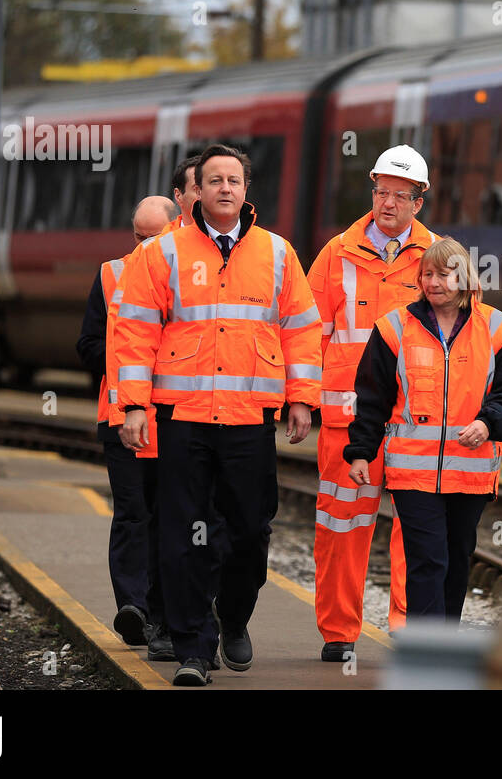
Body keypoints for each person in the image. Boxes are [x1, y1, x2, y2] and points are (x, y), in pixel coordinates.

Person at [115, 144, 322, 686]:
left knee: (251, 532)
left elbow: (302, 330)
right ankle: (193, 649)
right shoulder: (163, 254)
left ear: (246, 190)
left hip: (250, 420)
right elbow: (134, 331)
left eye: (234, 179)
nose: (225, 187)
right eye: (214, 180)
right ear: (196, 192)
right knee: (184, 536)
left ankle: (233, 616)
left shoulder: (277, 254)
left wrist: (302, 397)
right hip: (182, 419)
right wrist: (134, 405)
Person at [344, 238, 502, 623]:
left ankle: (443, 646)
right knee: (427, 558)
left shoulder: (498, 329)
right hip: (412, 474)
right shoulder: (395, 328)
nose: (433, 282)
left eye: (443, 274)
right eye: (427, 274)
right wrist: (361, 451)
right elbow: (373, 396)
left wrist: (488, 422)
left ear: (464, 278)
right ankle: (426, 654)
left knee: (457, 557)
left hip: (470, 472)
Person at [308, 144, 437, 663]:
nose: (387, 203)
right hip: (347, 420)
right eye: (381, 191)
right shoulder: (337, 253)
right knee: (343, 526)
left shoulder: (439, 259)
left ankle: (410, 632)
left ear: (419, 202)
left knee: (417, 531)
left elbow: (462, 340)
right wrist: (300, 398)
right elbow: (305, 331)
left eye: (399, 195)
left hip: (416, 422)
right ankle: (339, 631)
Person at [75, 195, 179, 658]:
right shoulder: (110, 273)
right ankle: (133, 608)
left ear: (175, 230)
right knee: (133, 515)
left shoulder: (187, 275)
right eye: (137, 236)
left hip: (177, 420)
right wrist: (124, 361)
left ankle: (162, 611)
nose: (142, 246)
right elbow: (87, 344)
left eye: (152, 237)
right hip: (121, 418)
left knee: (171, 519)